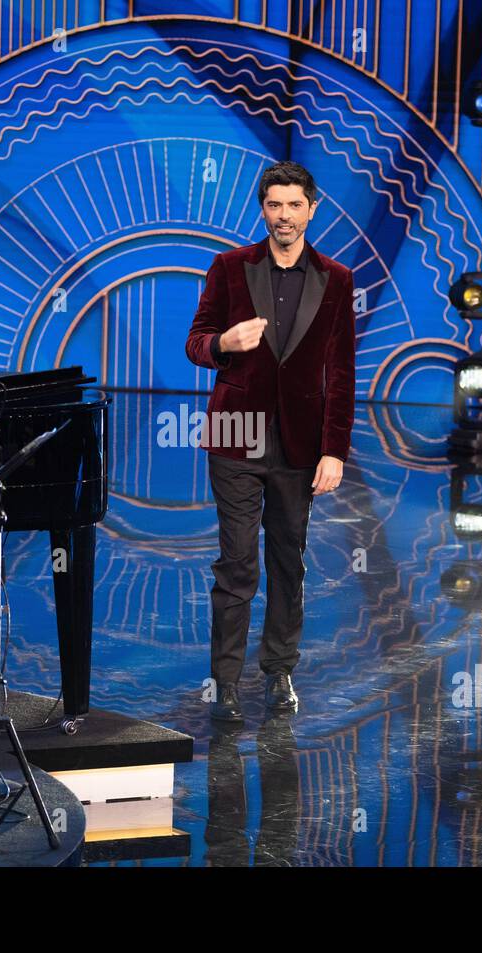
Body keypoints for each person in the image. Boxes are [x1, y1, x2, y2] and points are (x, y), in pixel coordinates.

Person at [184, 160, 356, 721]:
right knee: (237, 564)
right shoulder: (229, 268)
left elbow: (342, 372)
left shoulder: (336, 278)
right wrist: (224, 344)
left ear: (312, 208)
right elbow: (196, 342)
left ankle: (279, 673)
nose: (283, 215)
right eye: (273, 205)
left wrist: (334, 450)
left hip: (300, 446)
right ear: (263, 208)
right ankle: (226, 683)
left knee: (289, 562)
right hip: (236, 436)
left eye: (293, 205)